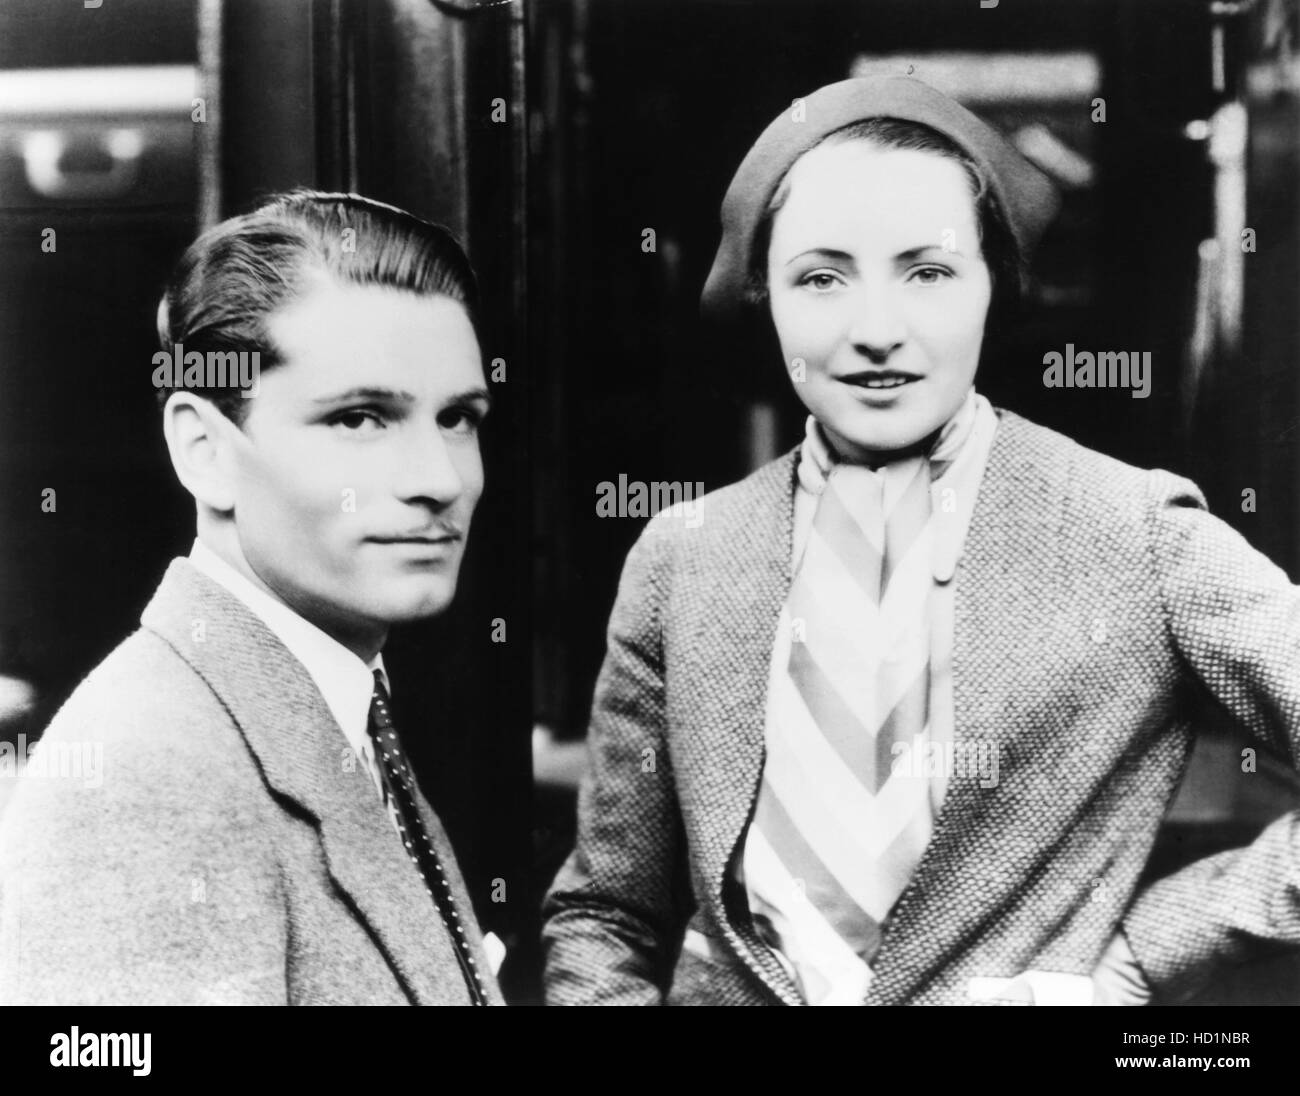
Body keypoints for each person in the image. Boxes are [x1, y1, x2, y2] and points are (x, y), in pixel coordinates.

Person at [541, 76, 1300, 1006]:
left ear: (994, 282)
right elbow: (606, 912)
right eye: (821, 277)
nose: (876, 331)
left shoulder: (1133, 533)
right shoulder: (684, 556)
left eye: (929, 271)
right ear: (763, 297)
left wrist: (1145, 955)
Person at [0, 191, 503, 1005]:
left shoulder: (324, 704)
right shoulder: (146, 779)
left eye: (458, 418)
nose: (438, 480)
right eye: (360, 419)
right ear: (205, 451)